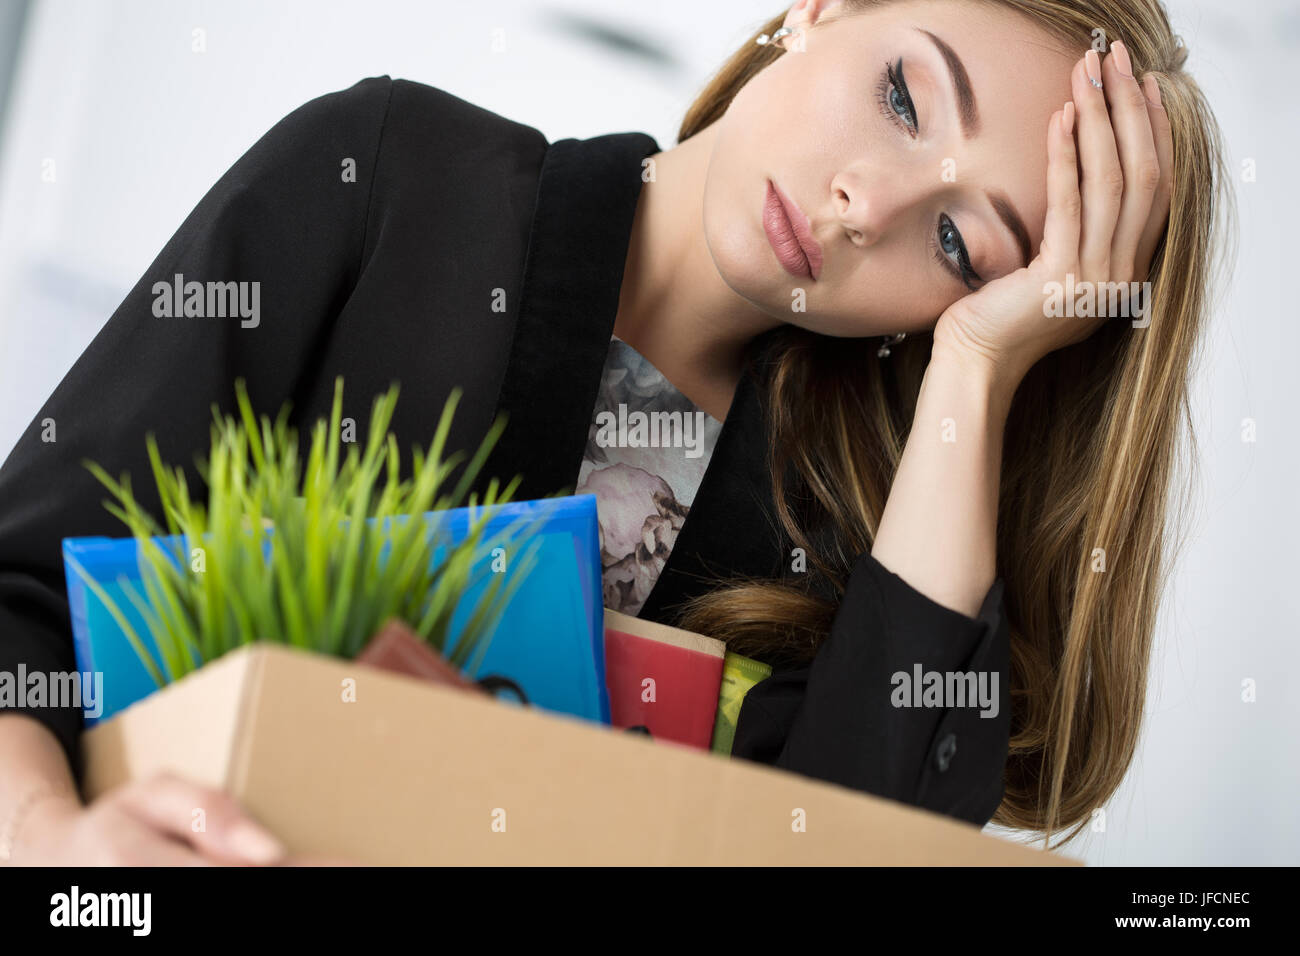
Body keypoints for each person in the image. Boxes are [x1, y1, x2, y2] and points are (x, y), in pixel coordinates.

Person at [0, 0, 1226, 864]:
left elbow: (846, 863)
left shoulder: (867, 542)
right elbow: (20, 597)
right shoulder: (387, 175)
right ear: (819, 8)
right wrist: (58, 851)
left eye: (963, 245)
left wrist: (975, 368)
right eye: (902, 96)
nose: (869, 204)